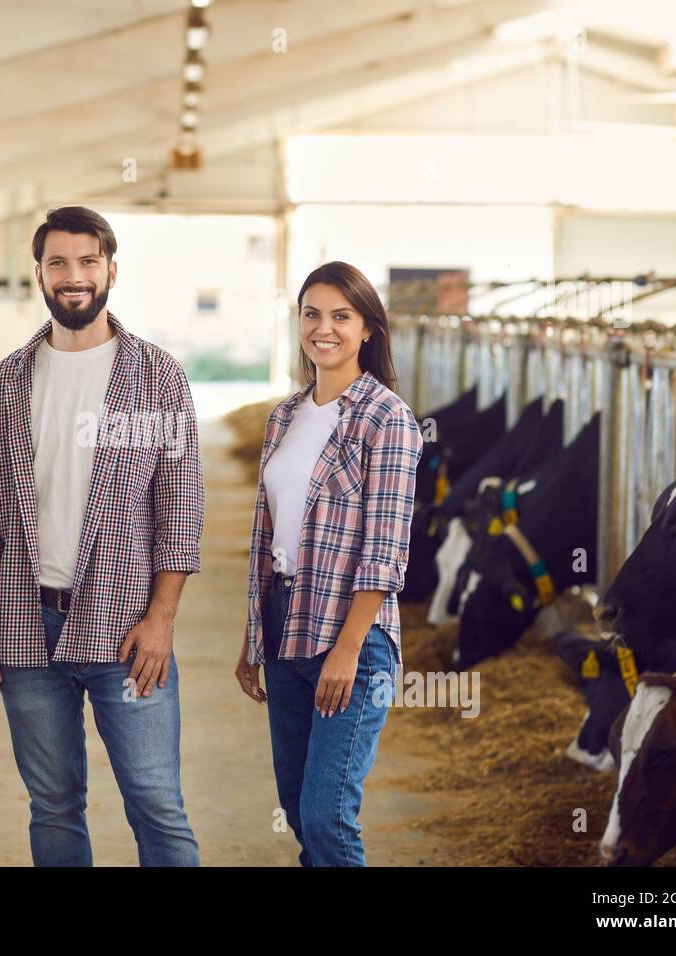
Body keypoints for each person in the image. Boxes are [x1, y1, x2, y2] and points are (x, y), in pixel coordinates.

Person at [0, 206, 204, 866]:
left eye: (88, 262)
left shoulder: (157, 378)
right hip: (24, 625)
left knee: (156, 800)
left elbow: (180, 512)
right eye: (59, 263)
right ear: (38, 274)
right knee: (54, 804)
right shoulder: (8, 382)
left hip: (127, 627)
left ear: (111, 270)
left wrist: (162, 618)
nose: (74, 277)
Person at [235, 260, 423, 867]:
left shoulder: (386, 419)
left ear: (368, 328)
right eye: (312, 314)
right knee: (297, 808)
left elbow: (385, 551)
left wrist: (347, 648)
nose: (325, 329)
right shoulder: (284, 416)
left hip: (352, 636)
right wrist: (252, 636)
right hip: (285, 624)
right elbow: (268, 532)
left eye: (341, 316)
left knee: (327, 816)